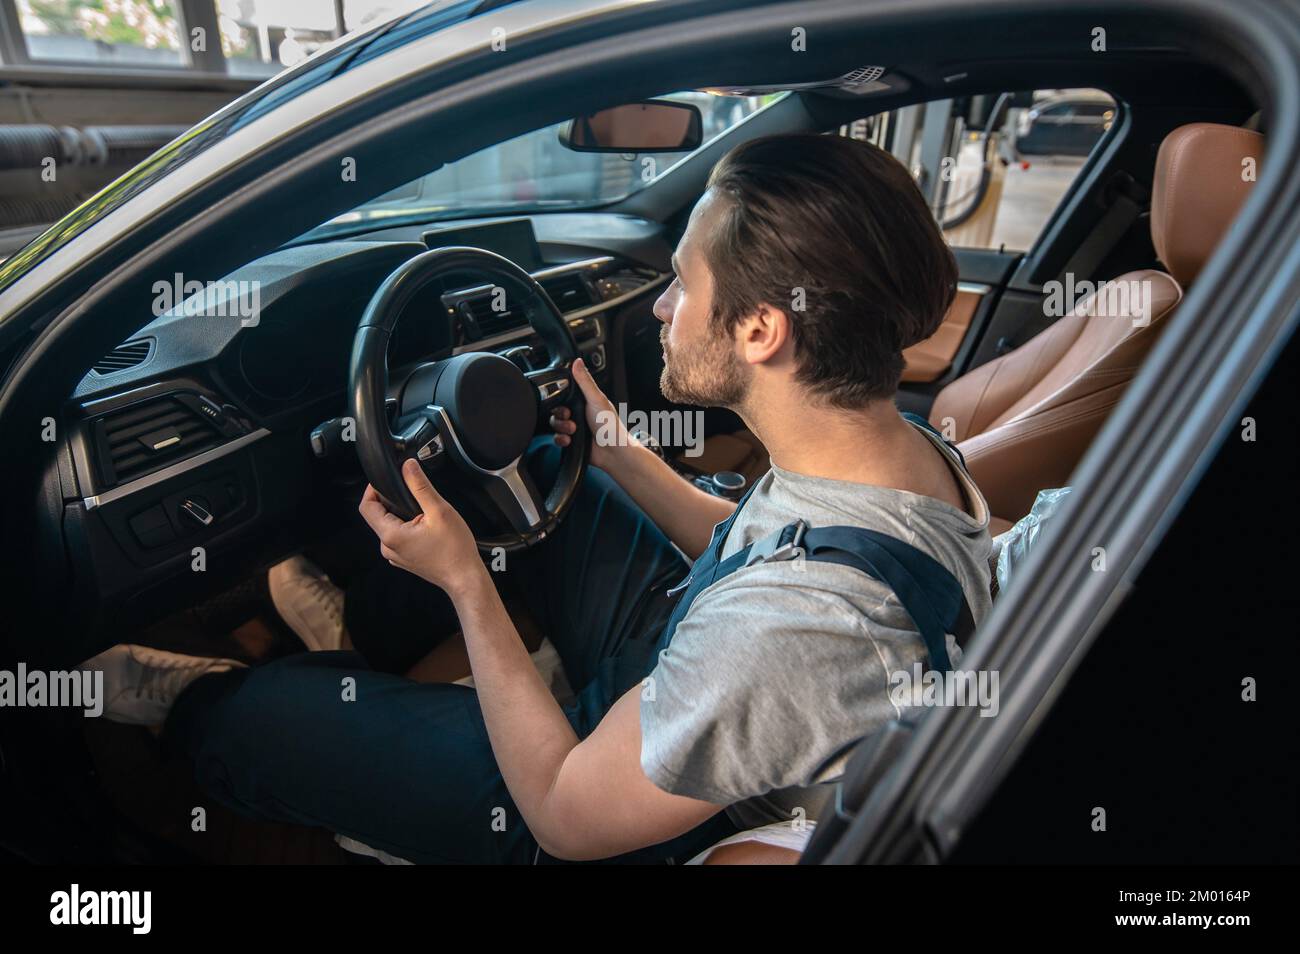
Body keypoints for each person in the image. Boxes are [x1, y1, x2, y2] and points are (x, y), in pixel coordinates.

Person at [83, 133, 992, 864]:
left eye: (684, 282)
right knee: (566, 497)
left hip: (640, 802)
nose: (660, 309)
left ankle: (202, 703)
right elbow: (765, 545)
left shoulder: (782, 635)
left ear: (761, 329)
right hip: (719, 676)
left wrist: (466, 584)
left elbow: (563, 814)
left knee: (257, 724)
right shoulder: (905, 455)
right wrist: (616, 453)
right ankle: (363, 648)